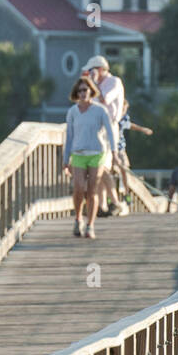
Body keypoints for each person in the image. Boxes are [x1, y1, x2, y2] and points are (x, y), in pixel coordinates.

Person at [63, 76, 115, 239]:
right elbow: (69, 136)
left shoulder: (100, 110)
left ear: (91, 91)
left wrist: (113, 153)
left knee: (92, 190)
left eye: (85, 90)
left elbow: (110, 132)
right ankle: (78, 218)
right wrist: (66, 160)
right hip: (78, 154)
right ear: (76, 93)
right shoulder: (72, 112)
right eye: (80, 90)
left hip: (97, 154)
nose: (83, 93)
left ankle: (90, 225)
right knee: (79, 188)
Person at [82, 56, 128, 217]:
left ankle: (115, 203)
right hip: (96, 129)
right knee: (97, 168)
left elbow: (103, 99)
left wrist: (93, 83)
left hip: (108, 130)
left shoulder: (114, 82)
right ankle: (101, 205)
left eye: (91, 70)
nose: (88, 73)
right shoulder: (95, 85)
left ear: (100, 69)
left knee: (102, 166)